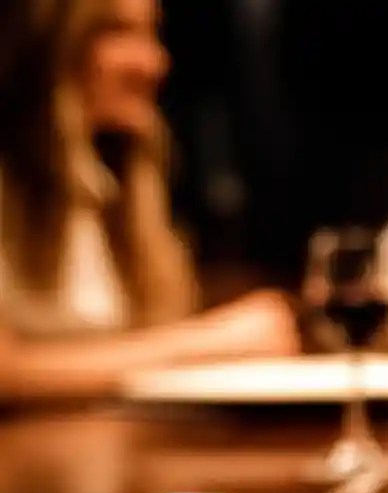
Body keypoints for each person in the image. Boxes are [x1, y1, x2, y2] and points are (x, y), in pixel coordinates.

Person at [0, 0, 299, 402]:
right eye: (119, 34)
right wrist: (211, 343)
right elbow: (8, 371)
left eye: (151, 35)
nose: (155, 63)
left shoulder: (119, 186)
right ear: (52, 47)